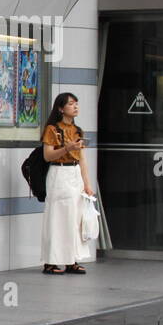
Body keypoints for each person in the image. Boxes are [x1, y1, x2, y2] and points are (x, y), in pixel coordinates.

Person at [40, 92, 94, 275]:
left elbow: (82, 159)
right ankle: (51, 261)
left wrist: (87, 183)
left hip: (74, 173)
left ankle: (72, 259)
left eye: (76, 103)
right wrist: (67, 148)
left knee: (75, 217)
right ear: (61, 108)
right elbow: (48, 156)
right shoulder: (52, 129)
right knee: (57, 216)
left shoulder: (78, 130)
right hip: (59, 172)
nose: (75, 106)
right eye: (71, 104)